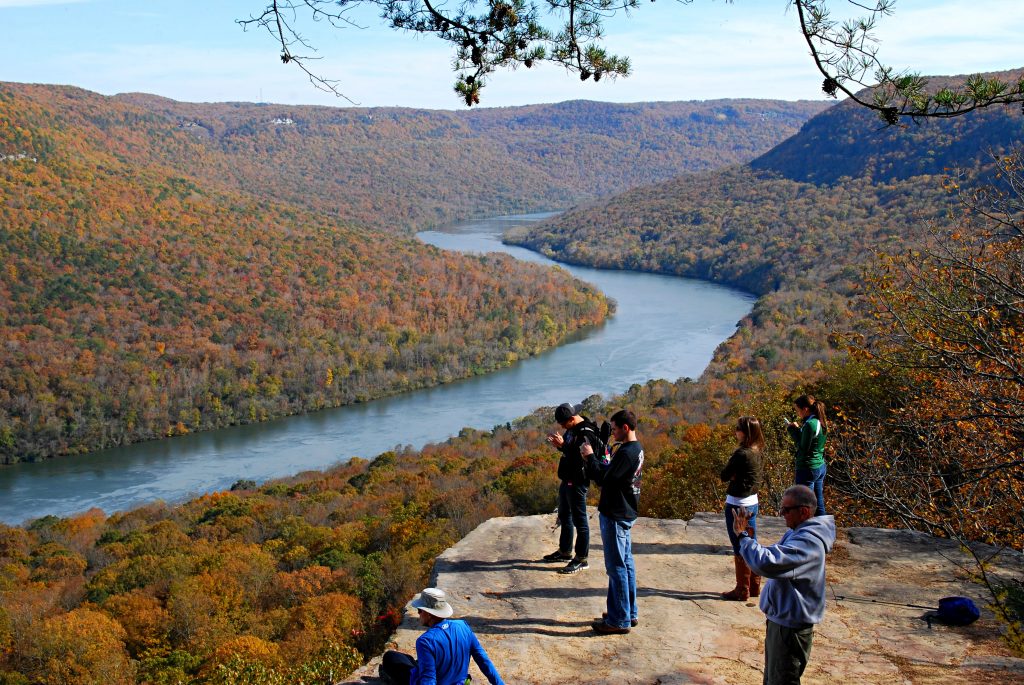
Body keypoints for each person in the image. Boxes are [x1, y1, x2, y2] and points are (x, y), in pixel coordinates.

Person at [733, 485, 835, 685]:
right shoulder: (798, 532)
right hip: (782, 622)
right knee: (773, 679)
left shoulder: (808, 543)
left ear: (804, 511)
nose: (782, 514)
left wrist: (744, 538)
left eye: (786, 510)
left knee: (782, 679)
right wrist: (752, 541)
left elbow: (768, 563)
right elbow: (774, 554)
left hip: (790, 629)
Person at [582, 408, 644, 635]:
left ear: (625, 428)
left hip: (616, 514)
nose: (613, 432)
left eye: (616, 428)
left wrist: (589, 457)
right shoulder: (634, 449)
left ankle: (619, 620)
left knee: (616, 567)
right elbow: (612, 473)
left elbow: (605, 479)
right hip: (625, 512)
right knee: (626, 564)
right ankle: (628, 611)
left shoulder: (627, 453)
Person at [379, 587, 505, 685]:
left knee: (390, 657)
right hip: (459, 682)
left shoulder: (425, 641)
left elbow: (429, 681)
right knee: (409, 658)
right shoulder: (463, 626)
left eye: (420, 610)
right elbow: (483, 660)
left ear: (429, 614)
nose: (418, 613)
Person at [543, 402, 602, 575]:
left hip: (578, 481)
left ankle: (582, 559)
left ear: (571, 418)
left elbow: (584, 458)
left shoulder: (585, 433)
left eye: (563, 423)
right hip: (568, 479)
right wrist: (561, 446)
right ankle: (565, 551)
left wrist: (563, 447)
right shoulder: (573, 429)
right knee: (564, 515)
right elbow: (570, 452)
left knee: (580, 521)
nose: (561, 427)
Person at [720, 415, 765, 601]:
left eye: (738, 428)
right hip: (752, 502)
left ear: (745, 432)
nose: (735, 431)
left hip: (737, 504)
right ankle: (754, 587)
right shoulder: (758, 450)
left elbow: (724, 475)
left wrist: (734, 476)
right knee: (751, 543)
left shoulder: (741, 454)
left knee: (740, 546)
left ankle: (742, 590)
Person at [786, 395, 828, 516]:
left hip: (807, 468)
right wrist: (800, 429)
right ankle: (824, 530)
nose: (797, 413)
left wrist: (792, 430)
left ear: (805, 409)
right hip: (819, 466)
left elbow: (803, 447)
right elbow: (812, 441)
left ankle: (807, 531)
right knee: (818, 503)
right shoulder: (820, 420)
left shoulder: (810, 424)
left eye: (797, 410)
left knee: (805, 504)